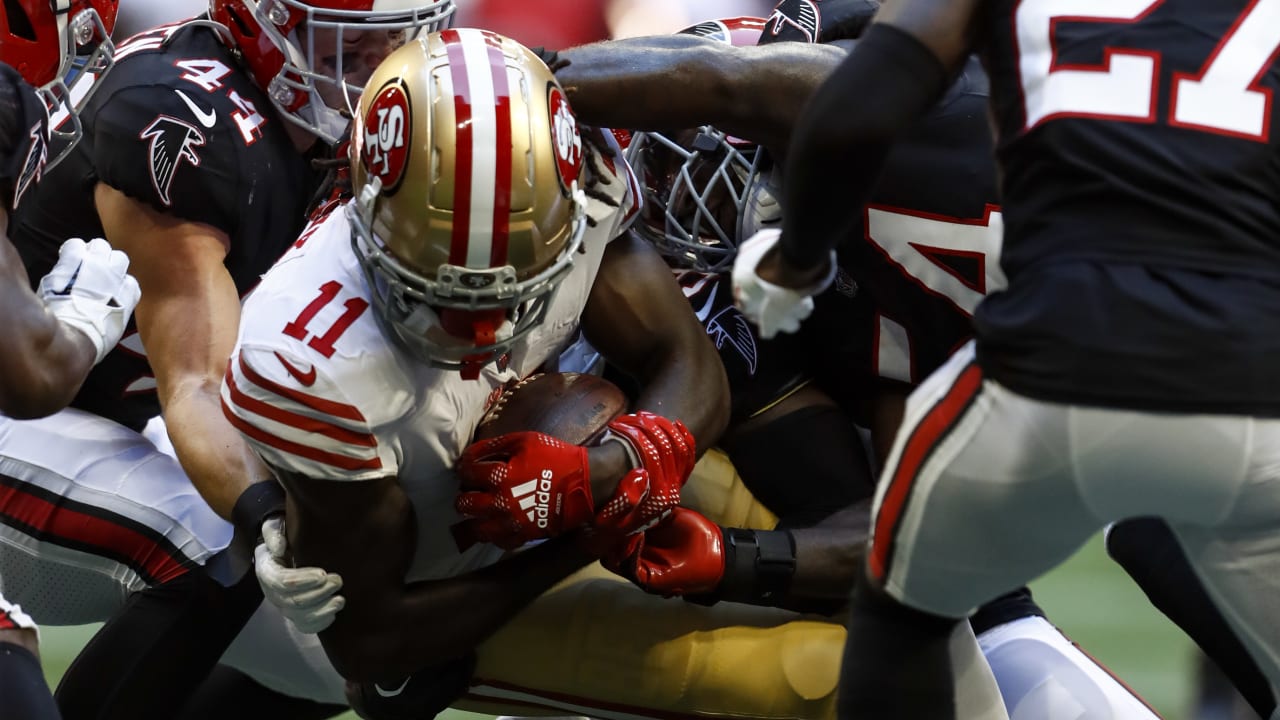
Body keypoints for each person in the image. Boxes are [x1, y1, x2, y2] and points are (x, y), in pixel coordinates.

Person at [222, 29, 879, 720]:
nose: (483, 331)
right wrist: (580, 536)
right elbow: (372, 640)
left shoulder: (578, 182)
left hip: (557, 473)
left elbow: (688, 363)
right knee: (818, 678)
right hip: (430, 610)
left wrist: (620, 463)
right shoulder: (311, 363)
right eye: (441, 293)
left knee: (851, 571)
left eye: (510, 292)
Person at [548, 9, 1164, 718]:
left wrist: (518, 76)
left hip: (1116, 387)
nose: (677, 199)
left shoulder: (865, 121)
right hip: (1038, 416)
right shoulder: (759, 319)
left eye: (694, 167)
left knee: (1149, 548)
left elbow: (727, 82)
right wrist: (735, 557)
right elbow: (893, 530)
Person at [729, 0, 1280, 717]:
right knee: (1163, 534)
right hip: (1246, 374)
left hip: (1045, 359)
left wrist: (795, 261)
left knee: (900, 613)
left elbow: (856, 107)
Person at [0, 0, 454, 717]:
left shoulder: (313, 130)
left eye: (396, 41)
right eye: (351, 48)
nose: (379, 69)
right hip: (26, 408)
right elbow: (197, 387)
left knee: (360, 648)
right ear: (267, 28)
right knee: (215, 539)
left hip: (112, 413)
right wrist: (270, 516)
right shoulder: (186, 116)